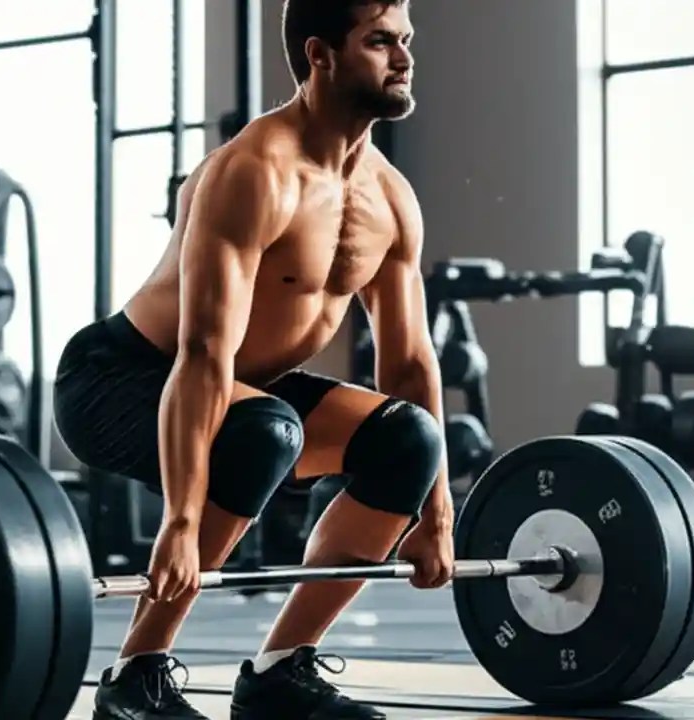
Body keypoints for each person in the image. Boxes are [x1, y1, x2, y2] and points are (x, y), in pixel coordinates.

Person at [54, 1, 452, 717]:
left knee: (406, 436)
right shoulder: (254, 171)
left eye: (407, 41)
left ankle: (279, 675)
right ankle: (133, 679)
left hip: (245, 391)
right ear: (320, 55)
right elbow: (204, 350)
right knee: (265, 429)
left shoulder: (390, 197)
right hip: (119, 379)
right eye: (380, 41)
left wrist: (438, 513)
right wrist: (180, 524)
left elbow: (411, 364)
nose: (403, 57)